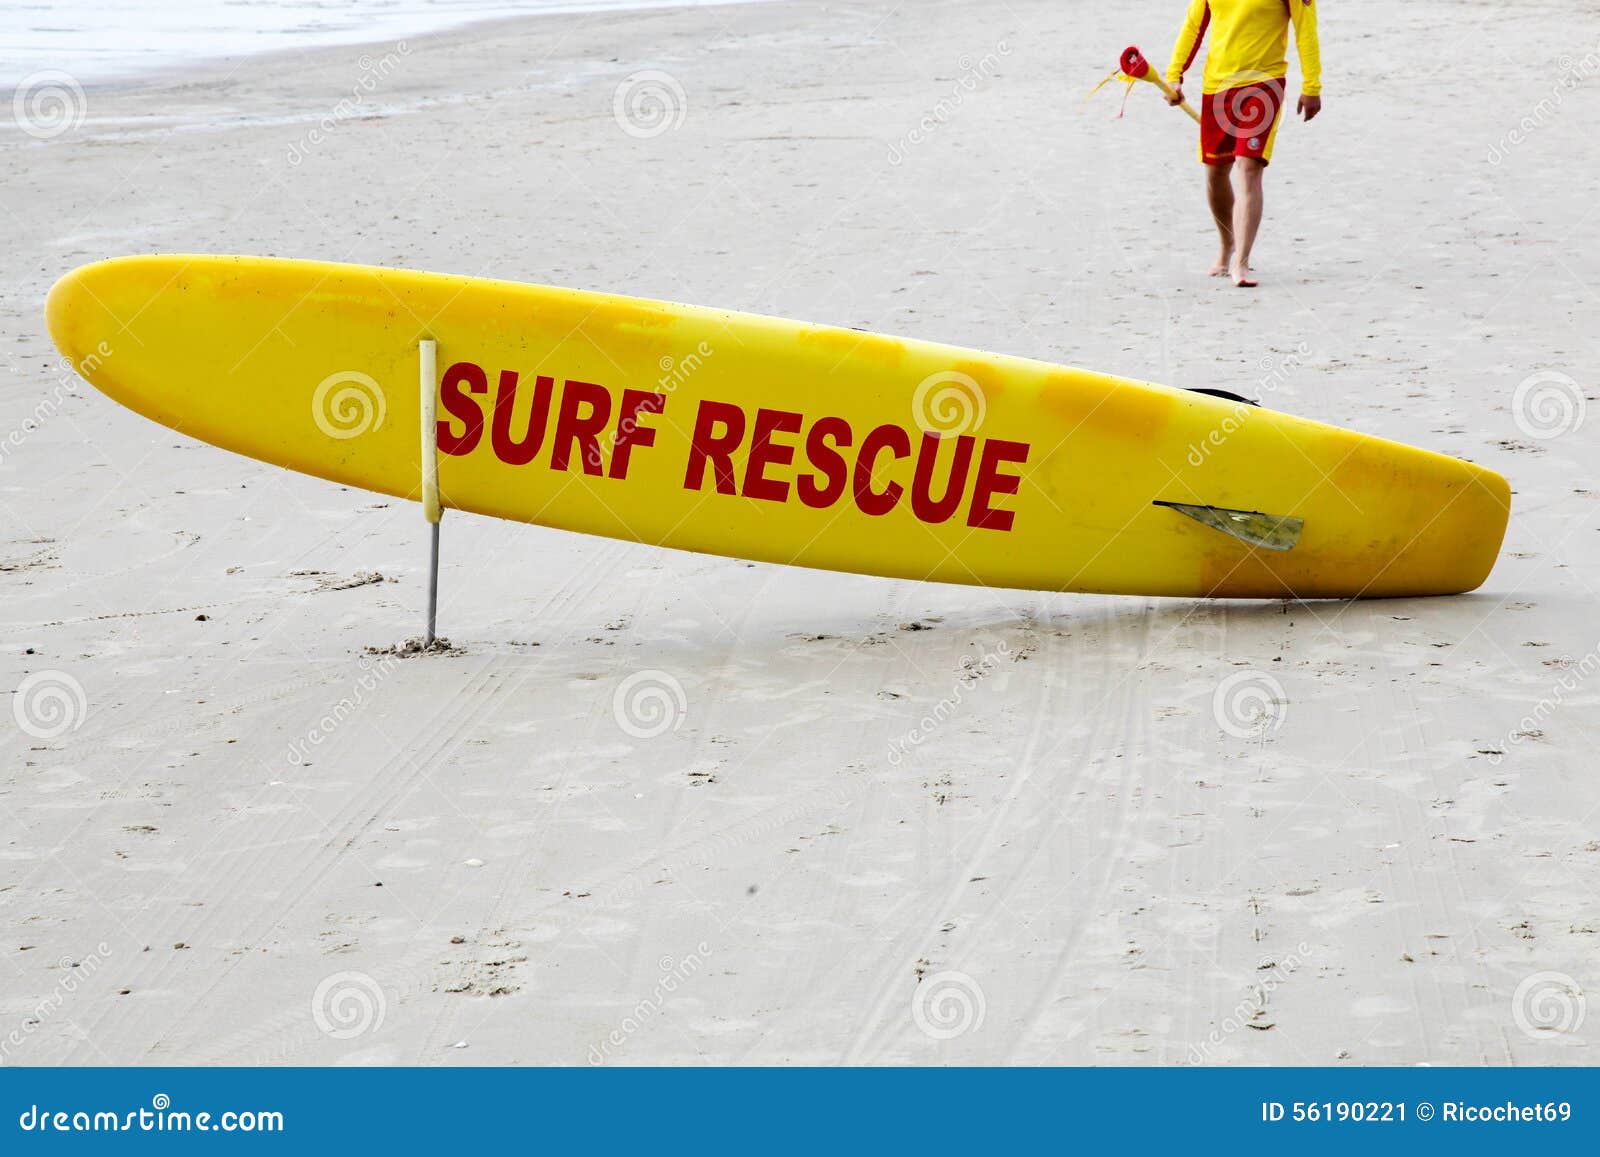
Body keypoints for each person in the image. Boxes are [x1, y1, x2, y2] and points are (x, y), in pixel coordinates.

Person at [1165, 0, 1322, 287]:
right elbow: (1193, 26)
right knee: (1215, 173)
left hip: (1264, 84)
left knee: (1248, 167)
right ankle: (1228, 245)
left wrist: (1312, 86)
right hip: (1218, 87)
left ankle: (1242, 263)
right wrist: (1173, 76)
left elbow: (1306, 30)